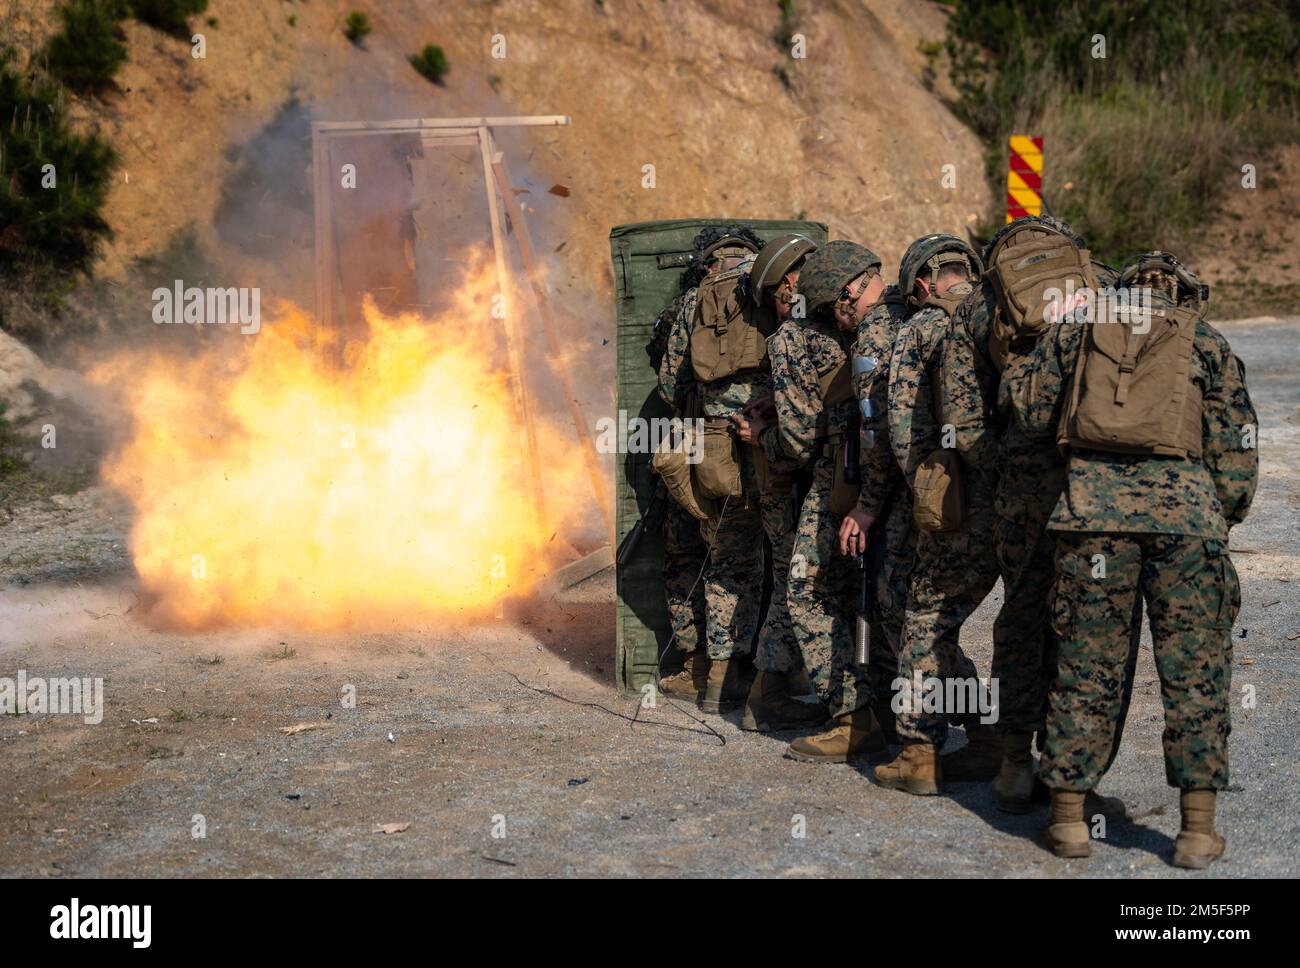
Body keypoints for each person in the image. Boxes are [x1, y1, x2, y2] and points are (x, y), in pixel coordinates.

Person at [1008, 250, 1258, 868]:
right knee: (1196, 673)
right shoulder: (1206, 341)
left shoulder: (1078, 328)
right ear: (1181, 292)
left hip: (1091, 522)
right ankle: (1196, 831)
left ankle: (1067, 820)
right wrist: (1215, 514)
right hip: (1187, 527)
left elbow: (1033, 415)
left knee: (1086, 664)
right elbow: (1237, 450)